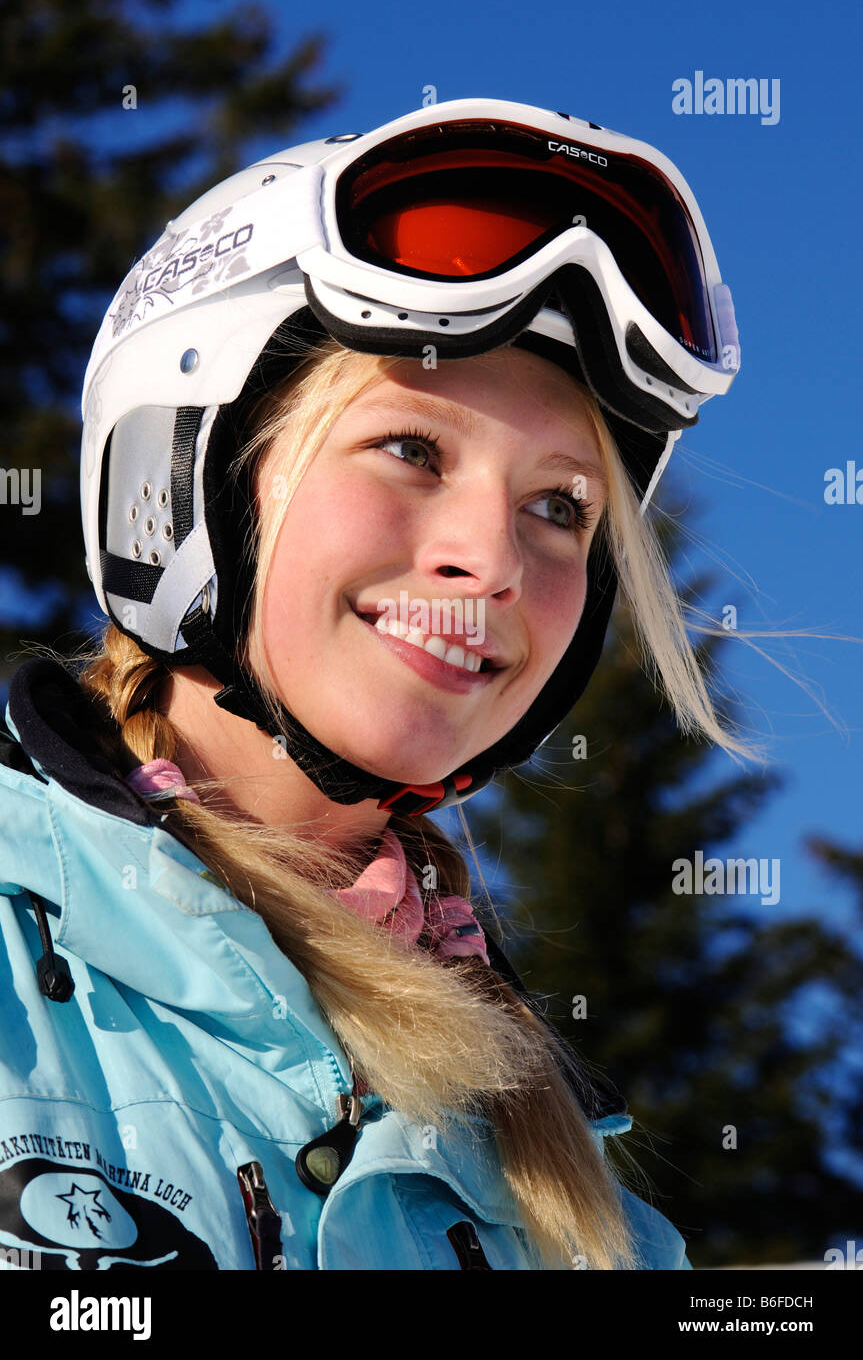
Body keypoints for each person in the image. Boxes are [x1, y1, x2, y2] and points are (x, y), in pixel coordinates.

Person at [0, 97, 747, 1270]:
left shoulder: (578, 1209)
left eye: (558, 509)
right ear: (185, 478)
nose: (492, 562)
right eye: (412, 450)